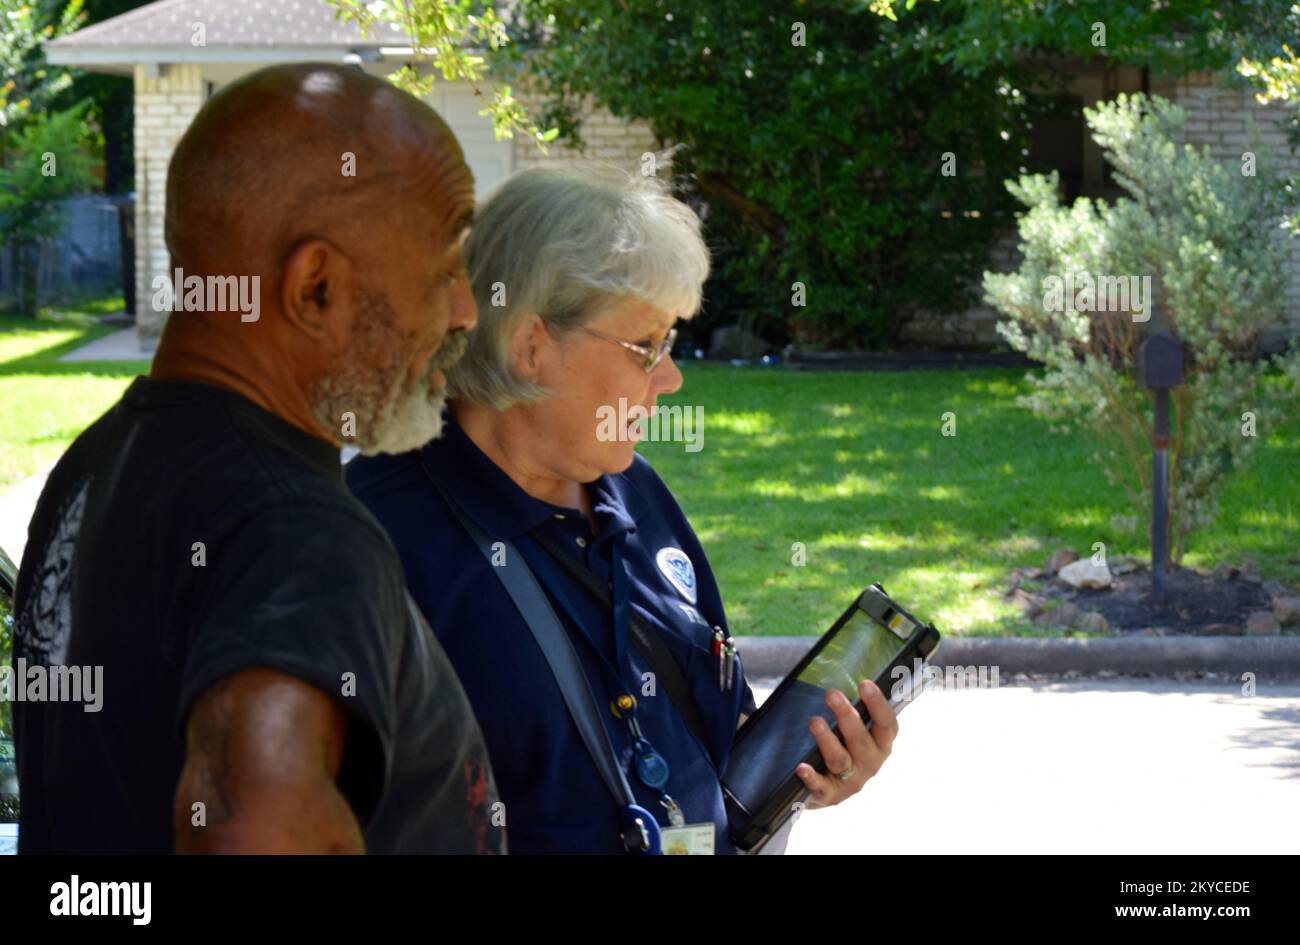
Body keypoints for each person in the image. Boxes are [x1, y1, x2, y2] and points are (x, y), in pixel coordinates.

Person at [11, 62, 502, 854]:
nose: (466, 309)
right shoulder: (294, 528)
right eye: (445, 268)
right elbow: (251, 821)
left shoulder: (102, 458)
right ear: (315, 288)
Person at [347, 165, 898, 854]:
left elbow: (712, 727)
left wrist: (807, 765)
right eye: (648, 346)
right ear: (528, 345)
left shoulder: (634, 490)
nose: (672, 377)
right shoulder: (368, 542)